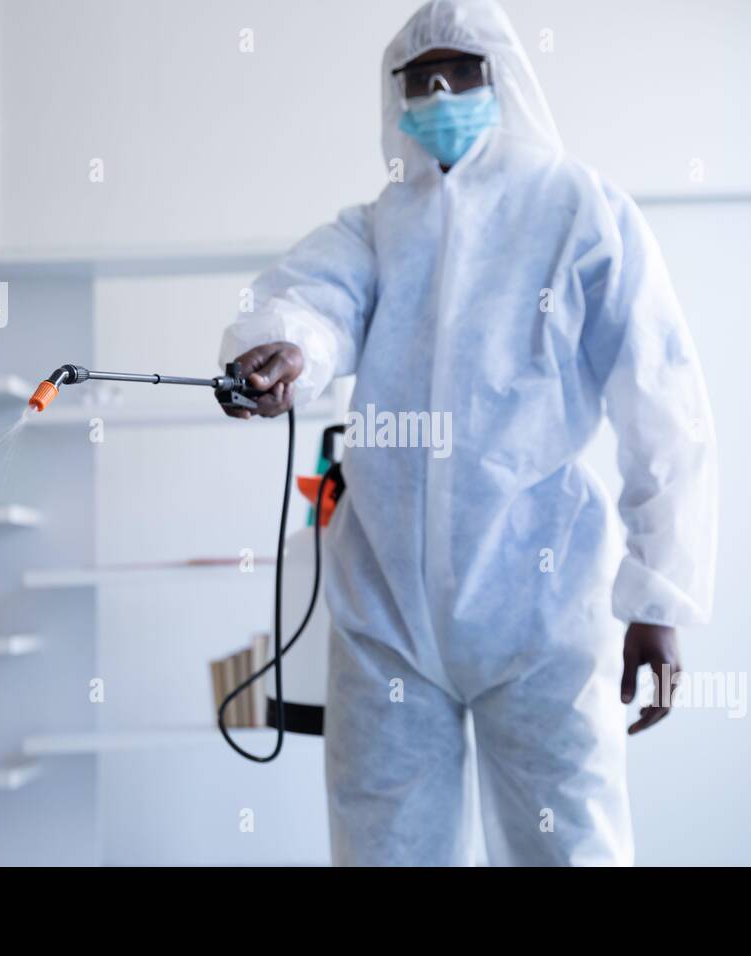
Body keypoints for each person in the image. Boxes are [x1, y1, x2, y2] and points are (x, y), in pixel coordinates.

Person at [218, 0, 716, 866]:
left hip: (543, 608)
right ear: (397, 95)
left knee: (570, 845)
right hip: (387, 618)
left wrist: (659, 602)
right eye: (421, 78)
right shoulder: (378, 227)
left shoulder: (579, 211)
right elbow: (310, 304)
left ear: (505, 78)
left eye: (462, 72)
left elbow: (662, 401)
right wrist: (282, 352)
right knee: (386, 848)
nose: (440, 92)